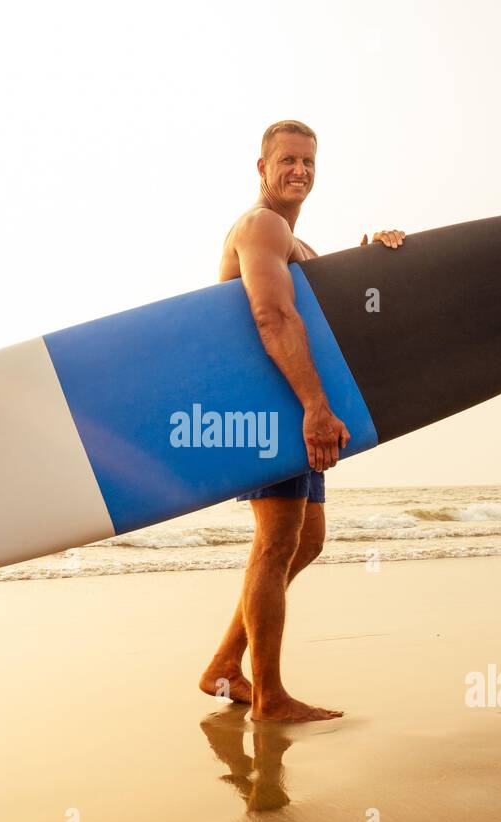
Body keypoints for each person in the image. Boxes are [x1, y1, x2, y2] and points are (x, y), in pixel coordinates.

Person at [198, 119, 405, 722]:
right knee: (276, 543)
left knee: (305, 540)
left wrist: (372, 260)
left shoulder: (296, 243)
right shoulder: (260, 226)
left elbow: (322, 308)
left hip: (295, 402)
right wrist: (316, 406)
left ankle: (223, 668)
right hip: (272, 403)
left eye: (309, 162)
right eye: (287, 160)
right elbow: (271, 316)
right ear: (261, 168)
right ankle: (268, 698)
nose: (300, 171)